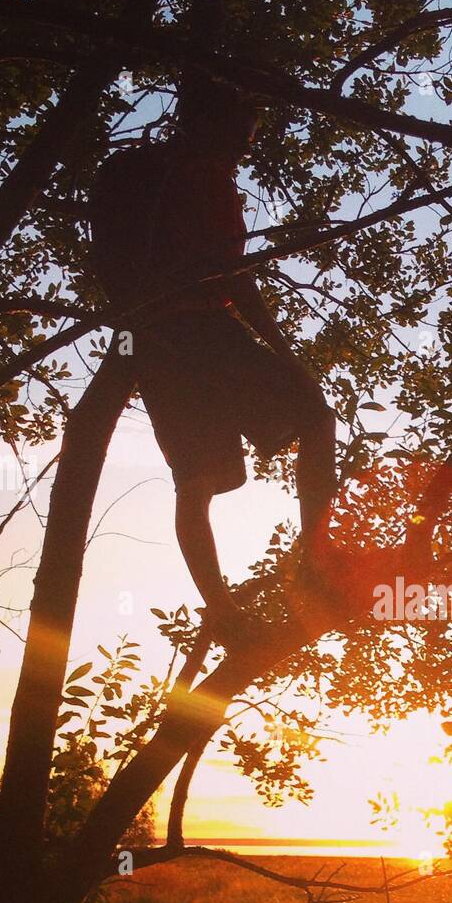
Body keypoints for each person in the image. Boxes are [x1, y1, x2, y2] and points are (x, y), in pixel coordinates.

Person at [89, 86, 336, 645]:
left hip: (153, 342)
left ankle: (221, 611)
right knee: (315, 417)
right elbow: (232, 277)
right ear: (210, 126)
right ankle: (319, 560)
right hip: (202, 329)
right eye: (240, 137)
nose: (243, 151)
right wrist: (287, 354)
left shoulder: (134, 174)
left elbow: (109, 259)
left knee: (199, 481)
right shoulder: (204, 182)